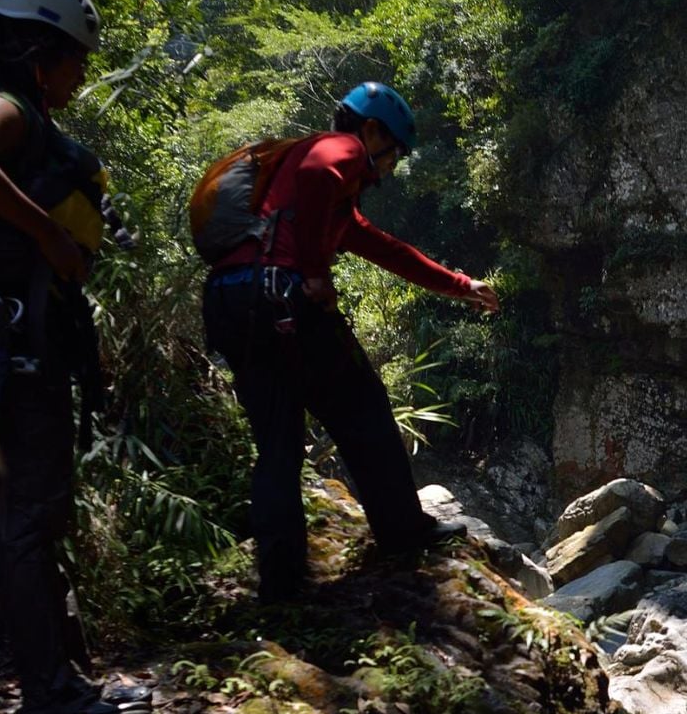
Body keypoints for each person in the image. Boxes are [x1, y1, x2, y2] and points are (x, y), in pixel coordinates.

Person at [0, 0, 147, 714]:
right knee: (29, 514)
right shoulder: (0, 106)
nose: (81, 75)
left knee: (31, 511)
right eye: (76, 59)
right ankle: (51, 699)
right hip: (7, 341)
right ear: (38, 52)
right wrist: (51, 234)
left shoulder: (10, 102)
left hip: (6, 335)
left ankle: (62, 680)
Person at [199, 82, 500, 603]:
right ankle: (402, 531)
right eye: (394, 153)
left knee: (277, 445)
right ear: (372, 130)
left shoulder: (309, 202)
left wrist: (461, 286)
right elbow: (321, 173)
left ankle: (281, 588)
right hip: (283, 297)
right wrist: (314, 274)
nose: (389, 167)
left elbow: (389, 250)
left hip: (231, 301)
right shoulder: (339, 150)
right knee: (362, 405)